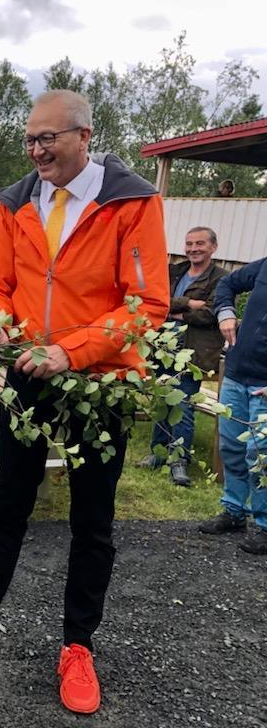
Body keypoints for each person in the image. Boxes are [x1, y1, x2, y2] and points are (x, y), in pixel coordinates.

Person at [0, 90, 168, 714]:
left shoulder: (133, 203)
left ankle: (77, 646)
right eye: (30, 139)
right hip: (28, 372)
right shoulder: (17, 202)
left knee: (92, 520)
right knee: (7, 505)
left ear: (85, 135)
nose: (36, 150)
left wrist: (72, 352)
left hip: (97, 382)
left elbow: (148, 305)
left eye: (47, 138)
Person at [139, 227, 226, 486]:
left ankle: (179, 461)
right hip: (163, 349)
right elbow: (156, 301)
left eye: (200, 243)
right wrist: (188, 303)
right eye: (189, 243)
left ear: (213, 247)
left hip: (193, 353)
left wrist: (174, 310)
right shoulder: (174, 270)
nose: (193, 248)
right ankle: (157, 453)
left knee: (183, 404)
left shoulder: (222, 278)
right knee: (163, 401)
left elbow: (211, 314)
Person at [199, 258, 267, 554]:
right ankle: (234, 511)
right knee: (231, 447)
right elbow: (228, 283)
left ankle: (264, 526)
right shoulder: (265, 266)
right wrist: (225, 313)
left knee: (261, 457)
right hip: (237, 374)